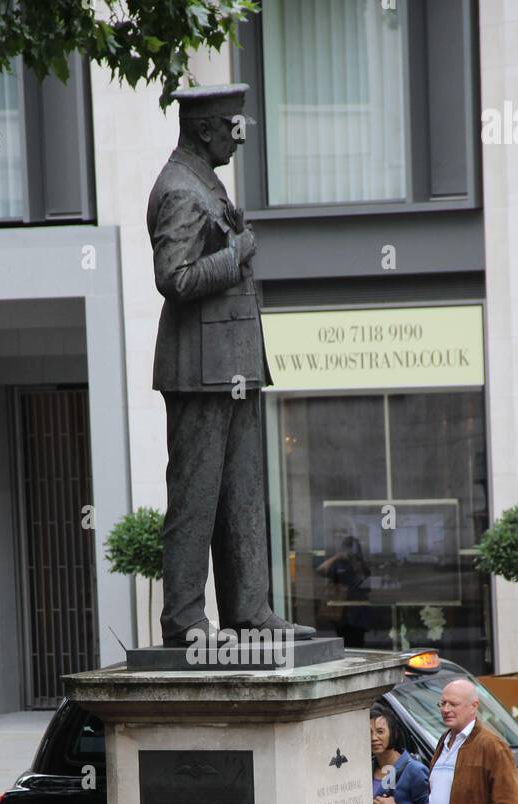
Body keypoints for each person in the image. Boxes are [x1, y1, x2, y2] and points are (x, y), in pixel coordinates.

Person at [147, 83, 314, 648]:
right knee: (195, 499)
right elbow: (175, 279)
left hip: (234, 365)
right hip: (199, 368)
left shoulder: (204, 182)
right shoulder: (179, 189)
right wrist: (238, 252)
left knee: (243, 491)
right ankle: (186, 623)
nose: (239, 138)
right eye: (232, 127)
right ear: (204, 129)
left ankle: (249, 611)